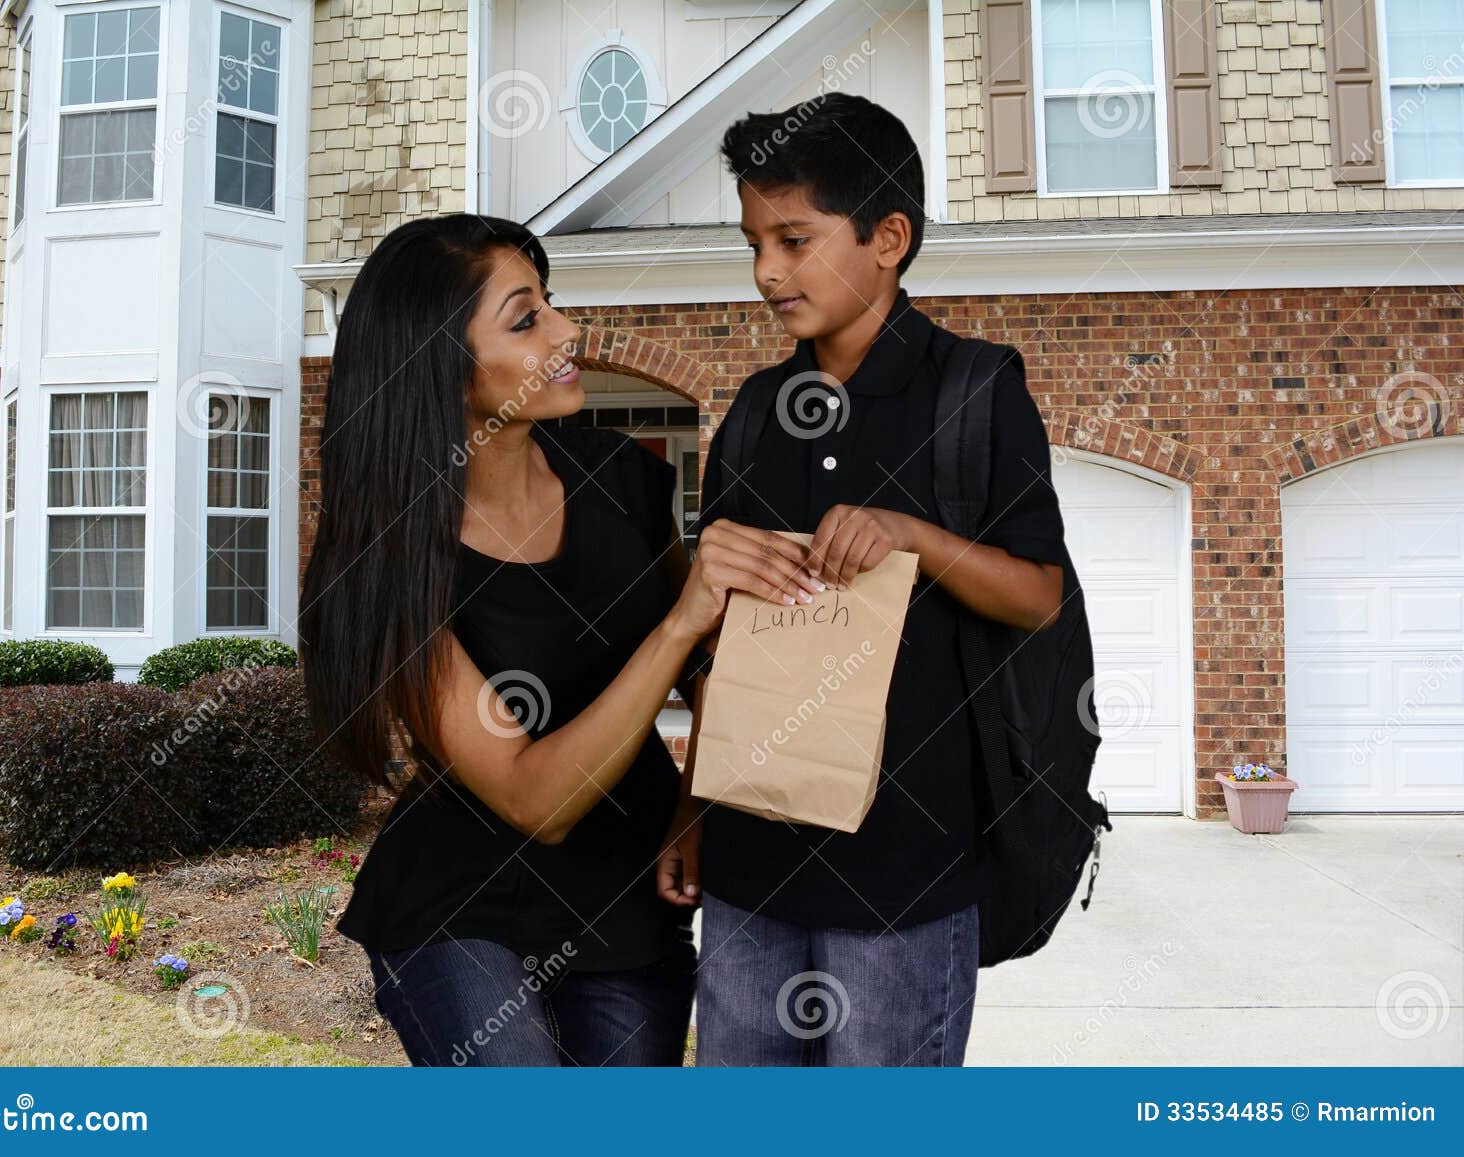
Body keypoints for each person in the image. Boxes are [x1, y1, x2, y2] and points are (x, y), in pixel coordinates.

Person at [297, 213, 824, 1066]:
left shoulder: (626, 481)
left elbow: (710, 674)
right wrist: (684, 614)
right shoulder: (387, 556)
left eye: (552, 304)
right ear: (440, 364)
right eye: (524, 317)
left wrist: (691, 805)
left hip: (626, 895)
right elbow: (529, 797)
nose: (565, 330)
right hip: (460, 904)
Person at [657, 93, 1068, 1066]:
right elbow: (727, 644)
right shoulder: (756, 412)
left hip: (906, 880)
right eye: (754, 240)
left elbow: (1039, 593)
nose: (766, 270)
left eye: (794, 239)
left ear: (888, 236)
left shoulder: (976, 389)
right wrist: (691, 809)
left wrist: (912, 534)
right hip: (750, 869)